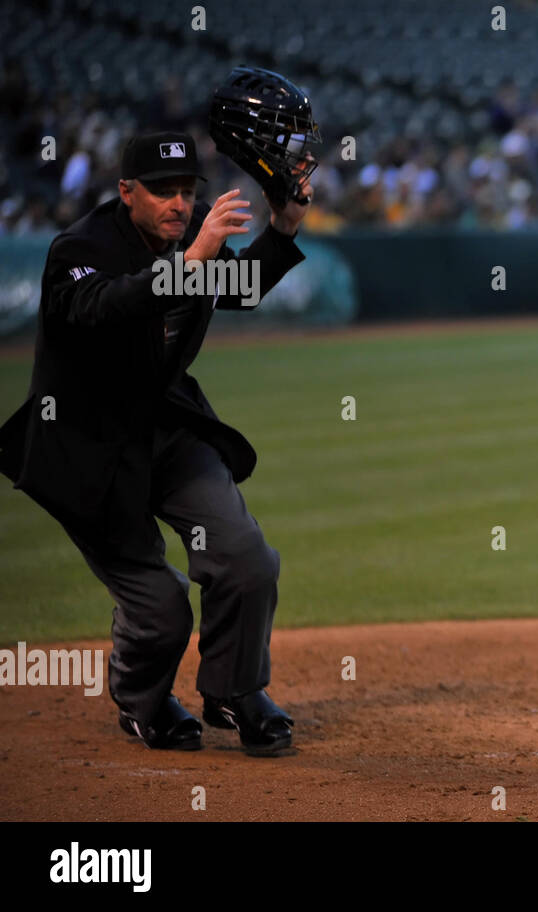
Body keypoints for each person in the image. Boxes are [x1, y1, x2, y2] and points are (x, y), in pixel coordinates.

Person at [0, 130, 310, 755]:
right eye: (161, 191)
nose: (177, 203)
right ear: (125, 192)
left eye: (186, 190)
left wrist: (283, 226)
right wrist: (190, 260)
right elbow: (104, 306)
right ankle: (143, 701)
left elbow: (239, 290)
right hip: (87, 449)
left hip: (164, 430)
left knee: (245, 558)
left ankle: (235, 691)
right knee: (162, 608)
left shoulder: (190, 231)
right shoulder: (79, 249)